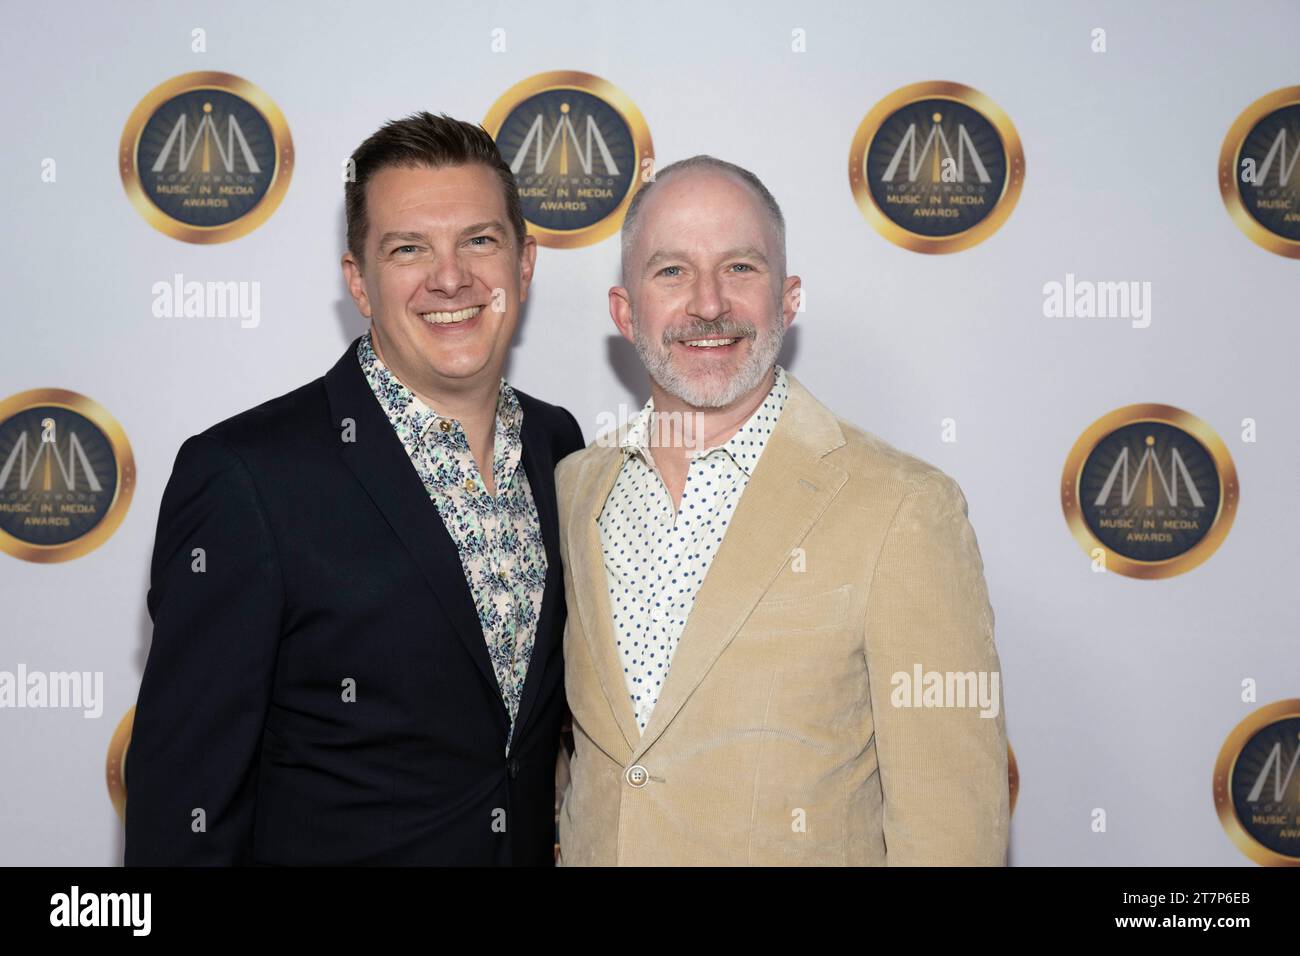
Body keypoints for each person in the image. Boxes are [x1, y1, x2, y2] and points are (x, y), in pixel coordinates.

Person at [125, 112, 583, 865]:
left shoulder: (558, 446)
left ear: (524, 265)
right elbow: (185, 807)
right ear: (358, 283)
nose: (450, 277)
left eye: (480, 240)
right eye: (409, 248)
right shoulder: (246, 478)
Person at [555, 155, 1008, 865]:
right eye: (671, 271)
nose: (708, 304)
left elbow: (951, 827)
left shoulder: (904, 509)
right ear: (624, 310)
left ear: (788, 299)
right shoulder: (575, 490)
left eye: (740, 268)